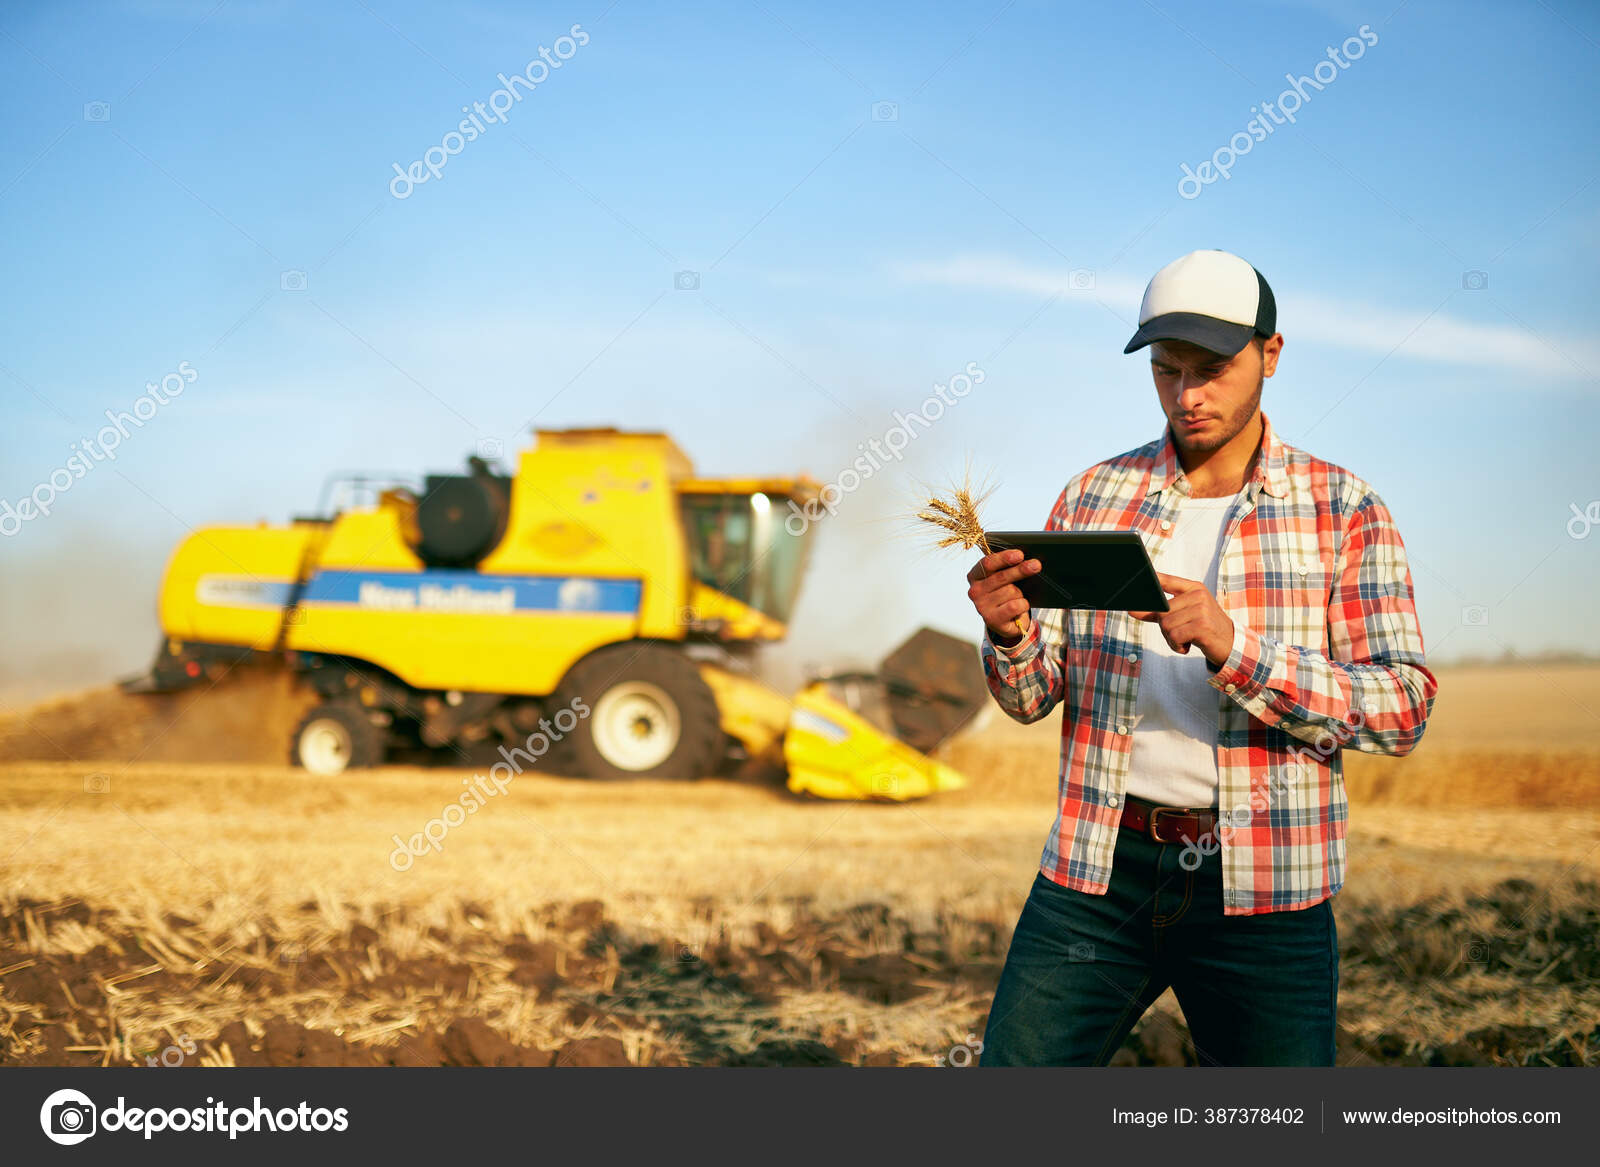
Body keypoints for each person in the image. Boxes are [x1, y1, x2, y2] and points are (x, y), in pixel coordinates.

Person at [969, 248, 1438, 1066]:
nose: (1188, 394)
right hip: (1097, 871)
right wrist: (1011, 634)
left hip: (1267, 889)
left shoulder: (1344, 508)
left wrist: (1234, 646)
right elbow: (1034, 696)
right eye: (1166, 369)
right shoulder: (1090, 499)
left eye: (1213, 368)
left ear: (1272, 354)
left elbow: (1402, 708)